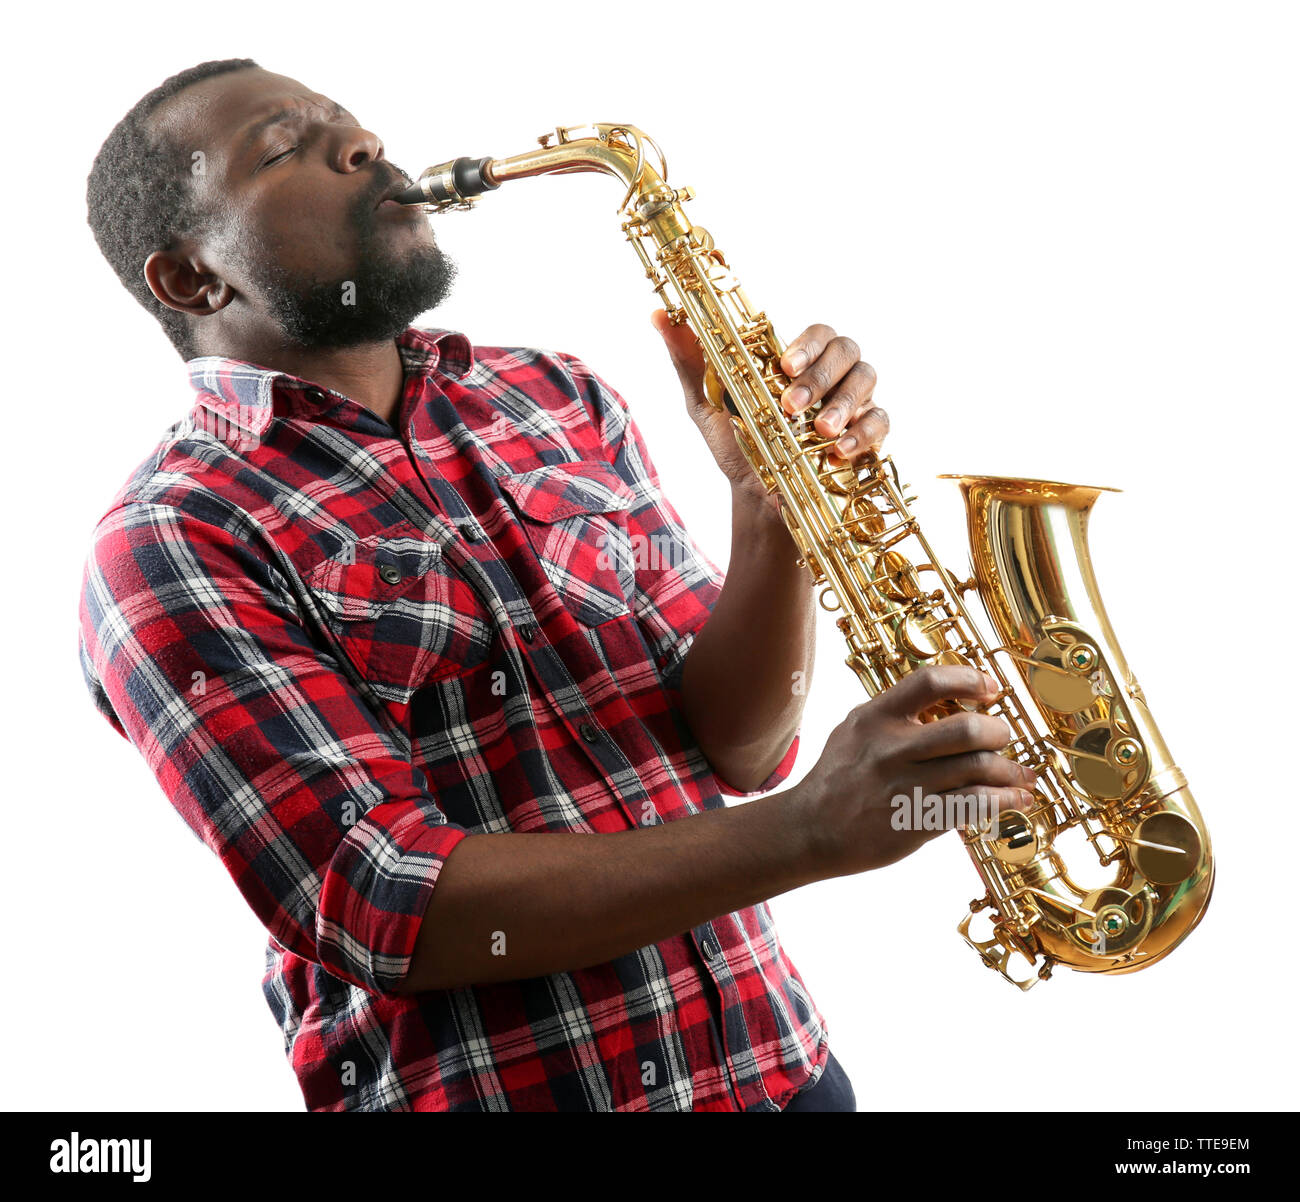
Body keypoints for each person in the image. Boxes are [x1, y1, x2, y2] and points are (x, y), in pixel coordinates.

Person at [78, 59, 1034, 1112]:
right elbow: (380, 900)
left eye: (348, 127)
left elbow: (736, 745)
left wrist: (772, 502)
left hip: (783, 1072)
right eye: (283, 148)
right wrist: (812, 828)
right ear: (191, 278)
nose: (360, 149)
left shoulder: (556, 394)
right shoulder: (171, 538)